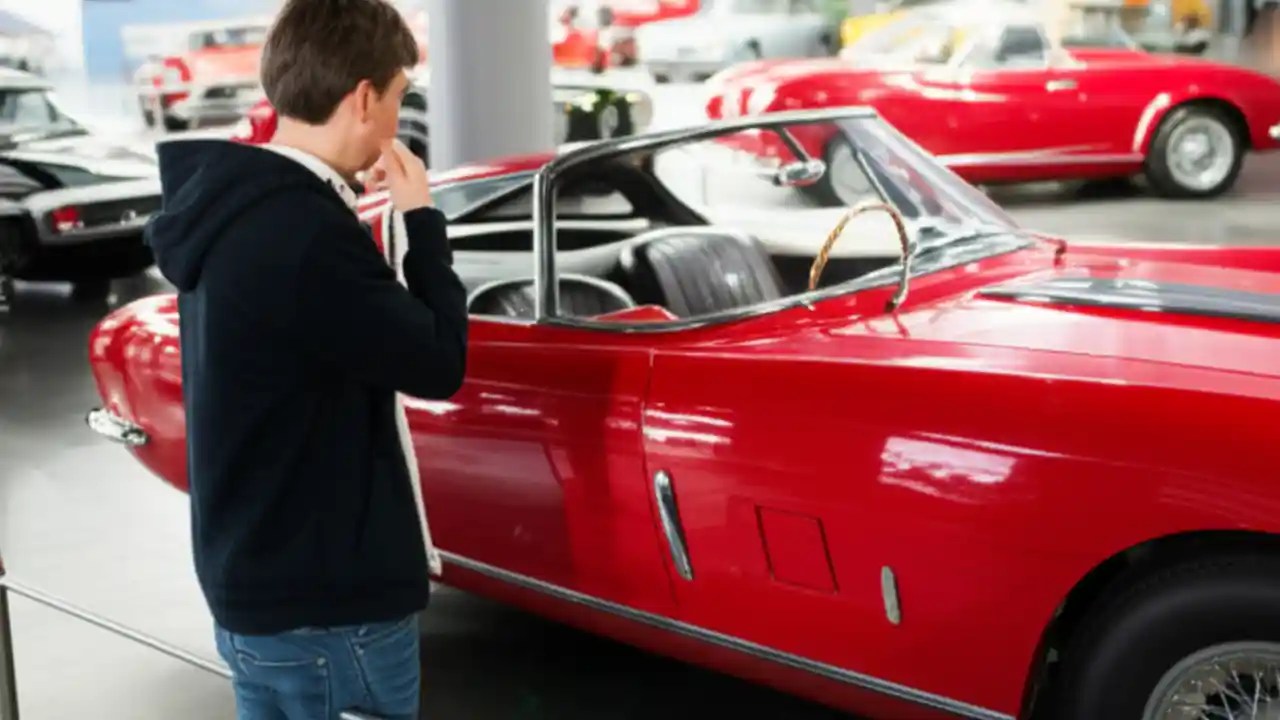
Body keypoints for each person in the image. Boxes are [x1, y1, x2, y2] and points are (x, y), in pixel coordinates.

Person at [143, 0, 468, 717]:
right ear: (362, 97)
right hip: (330, 606)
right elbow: (439, 360)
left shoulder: (237, 206)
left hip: (257, 582)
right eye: (398, 98)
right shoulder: (306, 234)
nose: (396, 121)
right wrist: (420, 218)